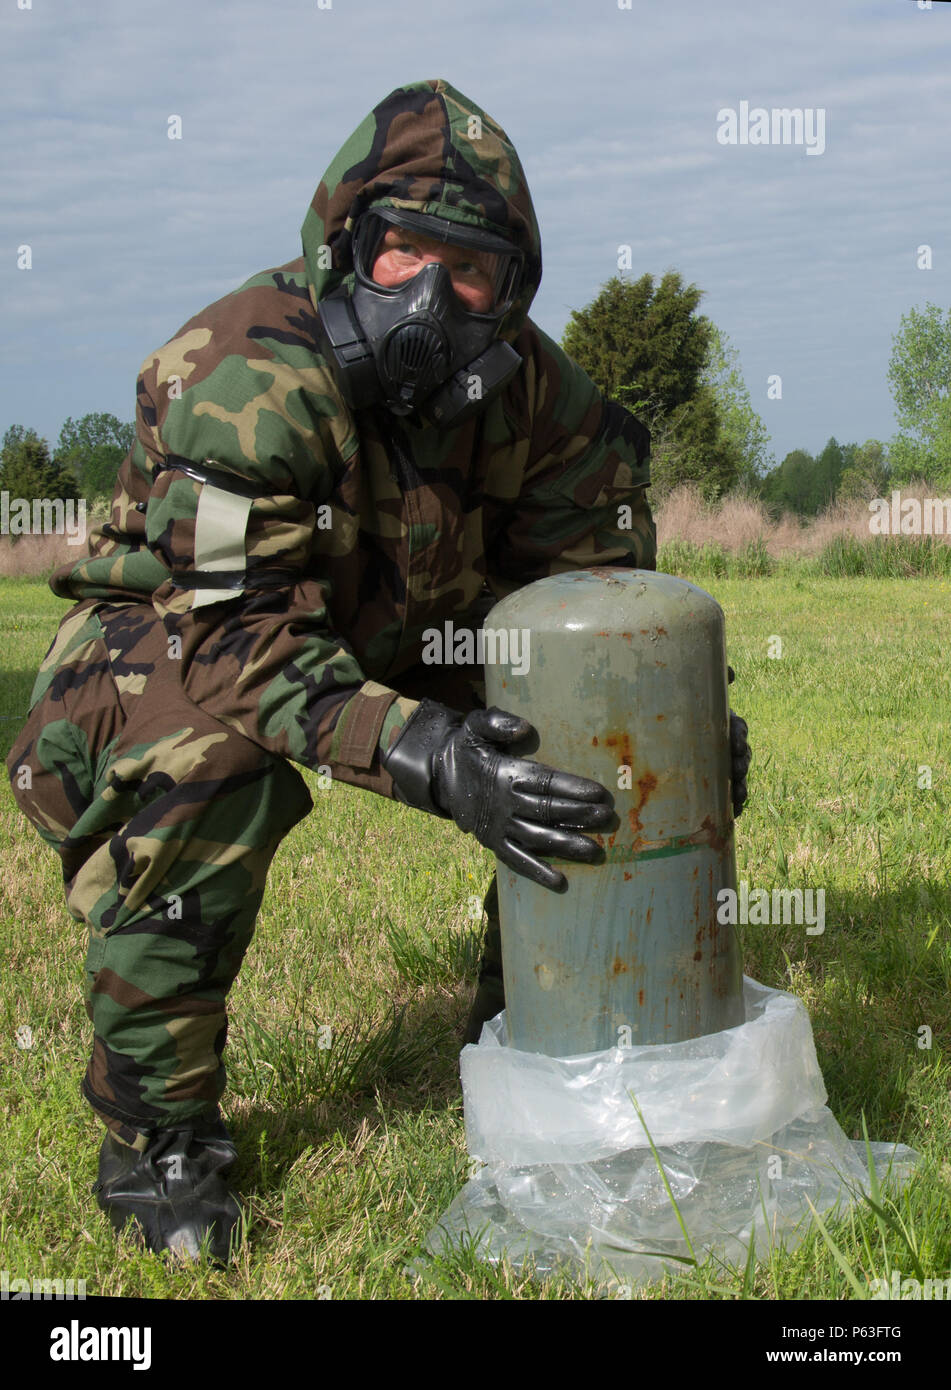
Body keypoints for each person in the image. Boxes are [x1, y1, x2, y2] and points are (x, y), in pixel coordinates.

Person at [5, 78, 750, 1263]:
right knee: (209, 763)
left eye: (471, 272)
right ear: (348, 243)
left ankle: (547, 1028)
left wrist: (662, 728)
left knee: (629, 735)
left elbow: (601, 618)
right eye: (402, 248)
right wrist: (427, 752)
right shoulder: (245, 369)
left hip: (418, 629)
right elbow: (242, 641)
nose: (429, 298)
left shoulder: (550, 407)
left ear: (512, 294)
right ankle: (159, 1134)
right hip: (176, 644)